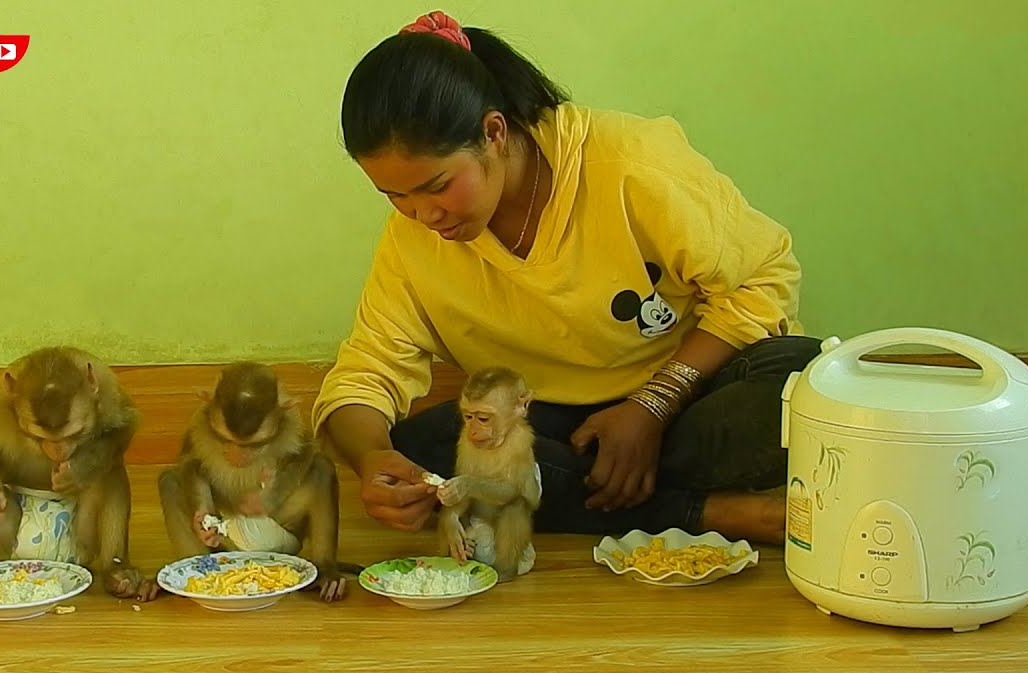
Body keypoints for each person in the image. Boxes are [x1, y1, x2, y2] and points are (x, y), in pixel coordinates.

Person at [311, 11, 821, 544]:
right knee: (427, 444)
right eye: (395, 196)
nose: (423, 215)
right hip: (548, 428)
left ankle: (587, 493)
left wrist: (652, 406)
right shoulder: (411, 236)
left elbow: (765, 280)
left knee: (795, 375)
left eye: (436, 186)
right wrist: (374, 458)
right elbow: (367, 371)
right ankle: (713, 513)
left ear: (493, 131)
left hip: (685, 398)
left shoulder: (629, 163)